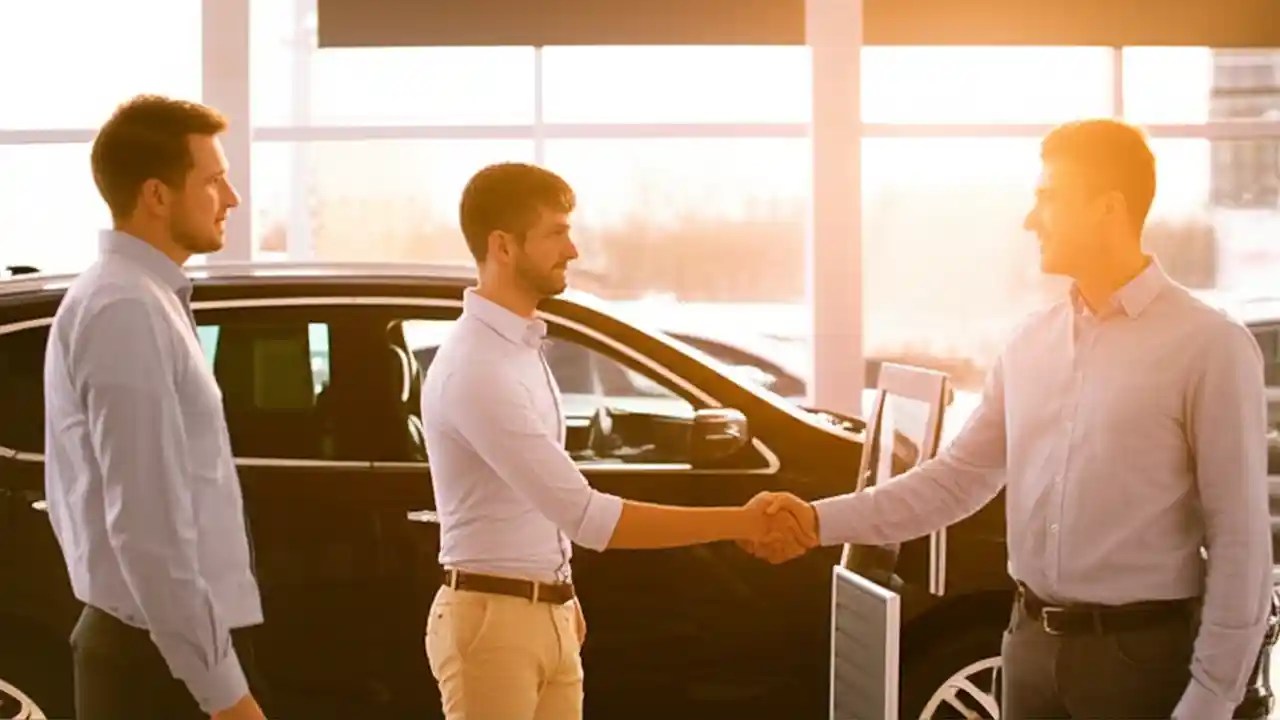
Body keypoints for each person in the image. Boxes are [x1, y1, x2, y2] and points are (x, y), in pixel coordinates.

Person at [752, 119, 1272, 720]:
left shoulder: (1209, 345)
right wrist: (818, 521)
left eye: (1049, 197)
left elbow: (1240, 539)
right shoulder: (1030, 343)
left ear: (1108, 207)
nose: (1032, 219)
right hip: (1026, 650)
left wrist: (1212, 697)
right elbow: (955, 480)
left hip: (1142, 662)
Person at [421, 161, 811, 720]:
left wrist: (559, 592)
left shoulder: (518, 347)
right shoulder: (479, 368)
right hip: (497, 625)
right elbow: (588, 516)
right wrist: (743, 522)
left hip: (537, 613)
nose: (573, 250)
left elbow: (541, 505)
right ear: (503, 247)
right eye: (556, 232)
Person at [42, 95, 268, 720]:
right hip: (155, 664)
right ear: (157, 195)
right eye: (214, 179)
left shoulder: (144, 297)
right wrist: (228, 699)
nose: (232, 198)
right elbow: (148, 530)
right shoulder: (124, 309)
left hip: (163, 650)